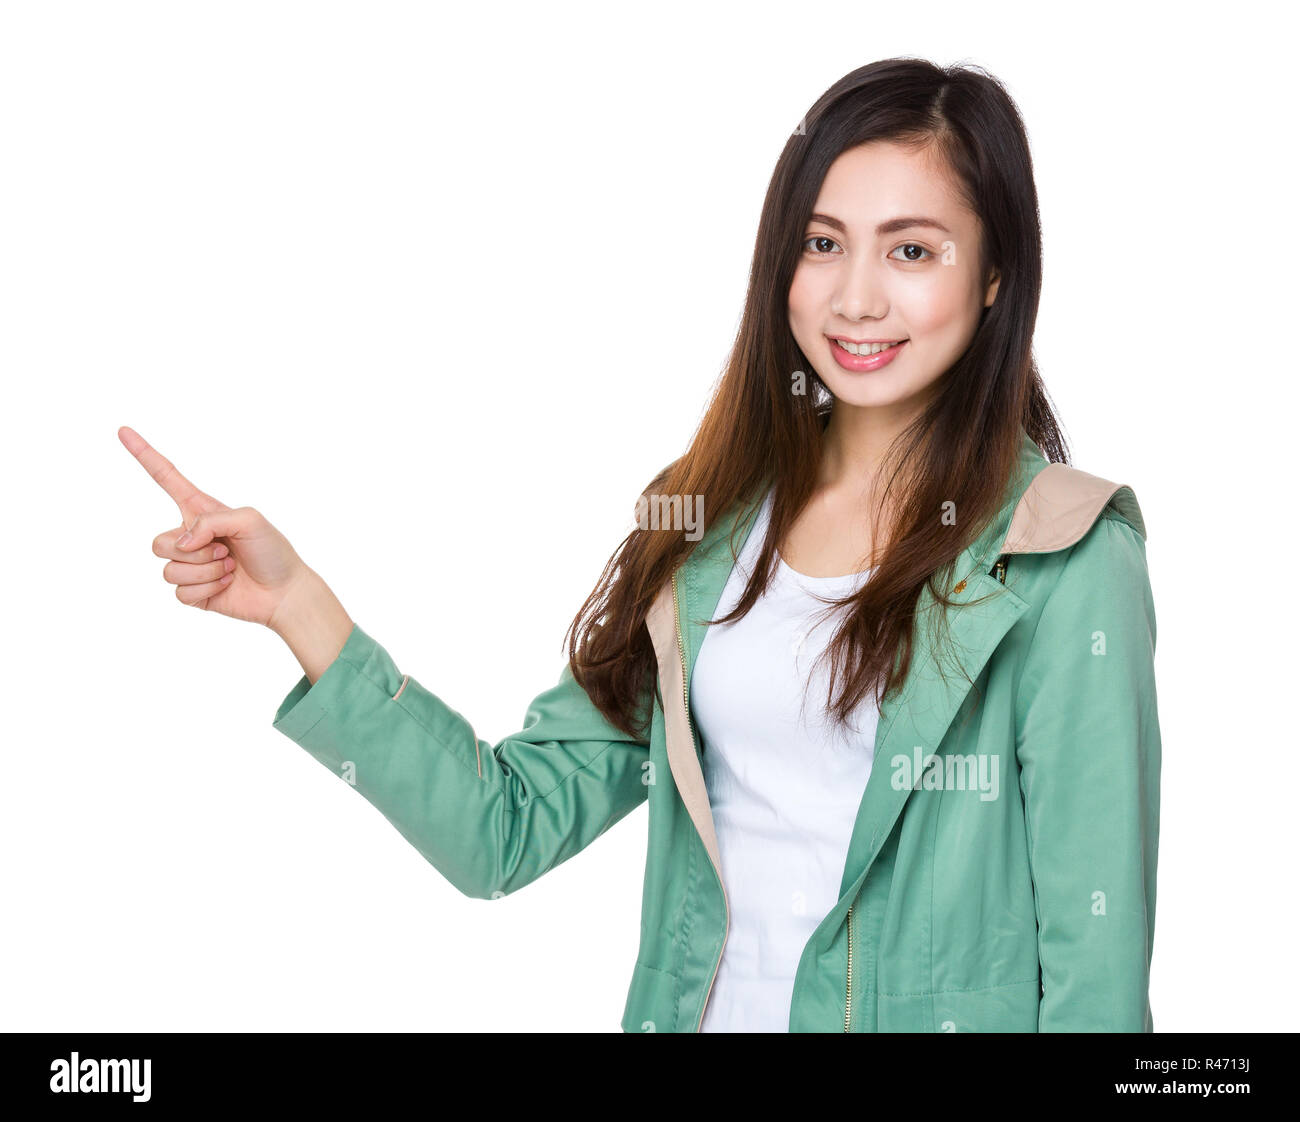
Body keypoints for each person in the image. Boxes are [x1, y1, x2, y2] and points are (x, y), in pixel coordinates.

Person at [121, 56, 1161, 1032]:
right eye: (821, 241)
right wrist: (299, 604)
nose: (855, 297)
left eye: (912, 250)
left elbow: (1093, 972)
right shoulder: (706, 522)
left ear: (992, 278)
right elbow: (504, 830)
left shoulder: (1060, 555)